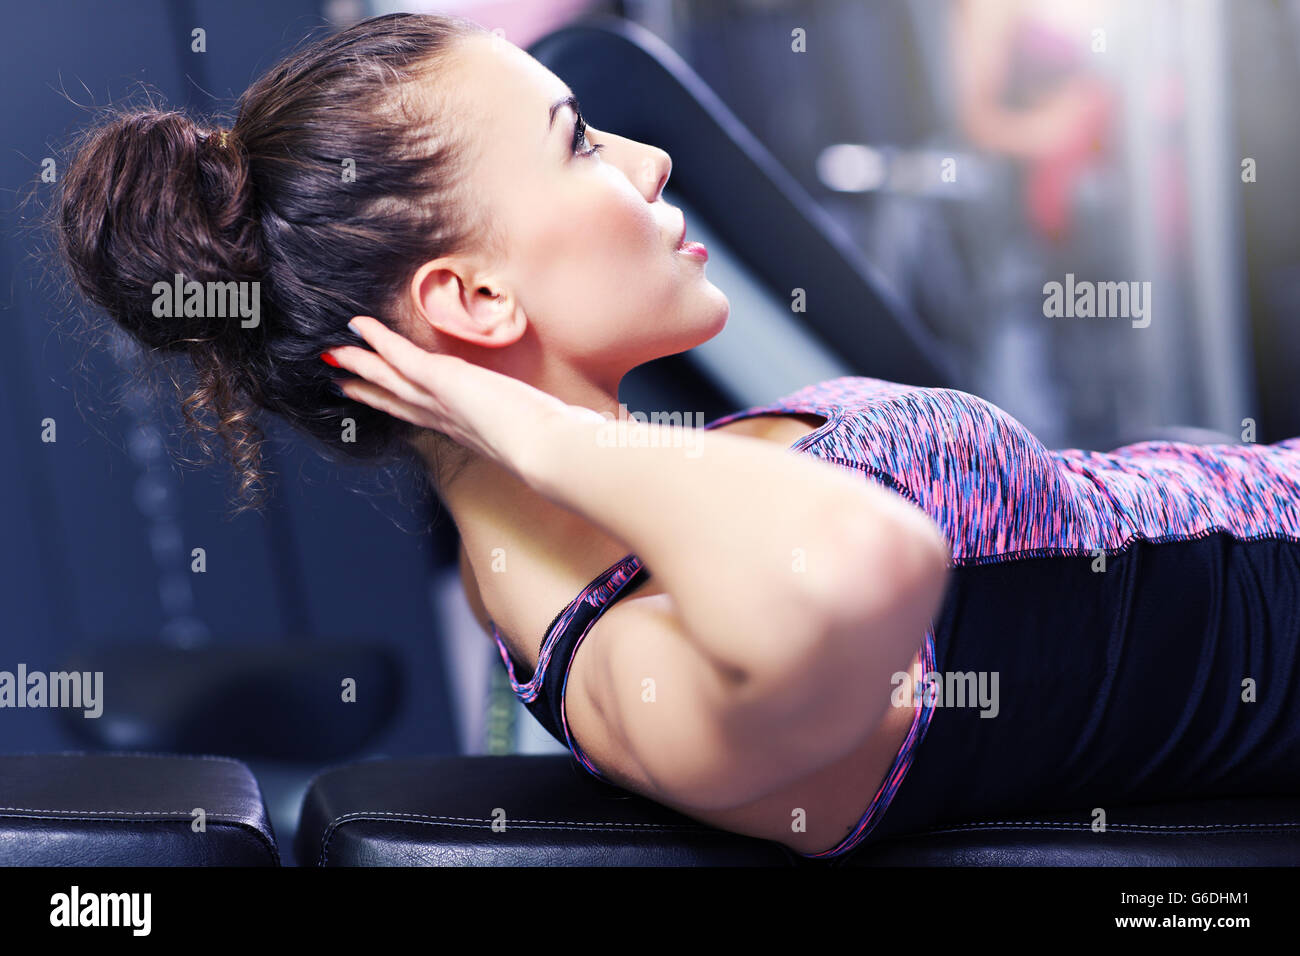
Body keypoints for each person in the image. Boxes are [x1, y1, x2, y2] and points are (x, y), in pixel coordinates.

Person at [53, 12, 1300, 863]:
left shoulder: (645, 516)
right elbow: (875, 562)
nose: (648, 162)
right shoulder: (626, 674)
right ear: (473, 302)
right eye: (581, 143)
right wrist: (534, 435)